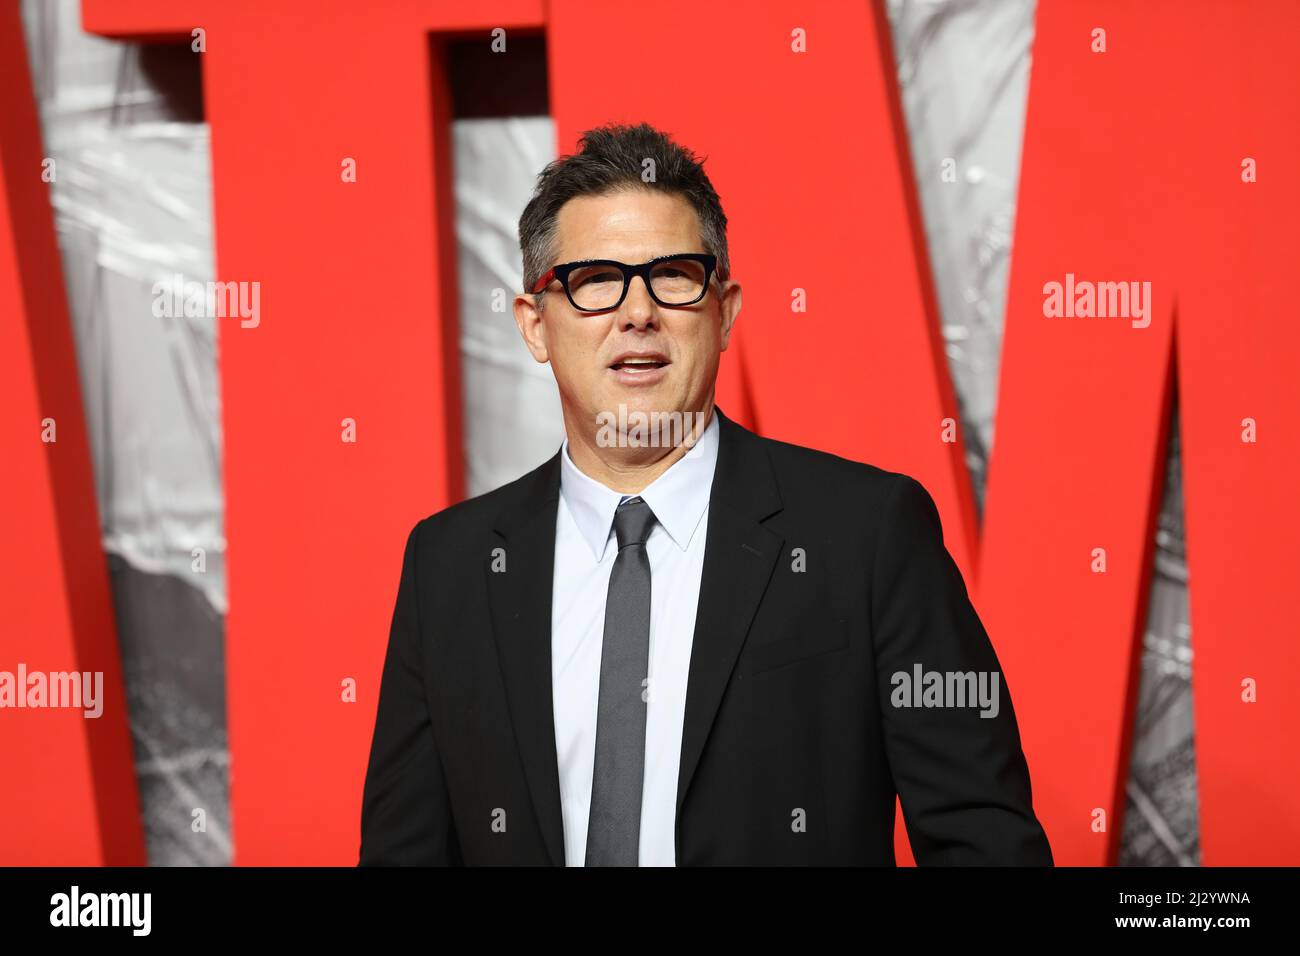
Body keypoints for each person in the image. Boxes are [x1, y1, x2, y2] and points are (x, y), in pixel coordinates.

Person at [358, 122, 1052, 866]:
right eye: (595, 281)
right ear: (535, 325)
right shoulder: (450, 564)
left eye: (674, 276)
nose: (637, 312)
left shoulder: (869, 533)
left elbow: (986, 841)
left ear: (723, 311)